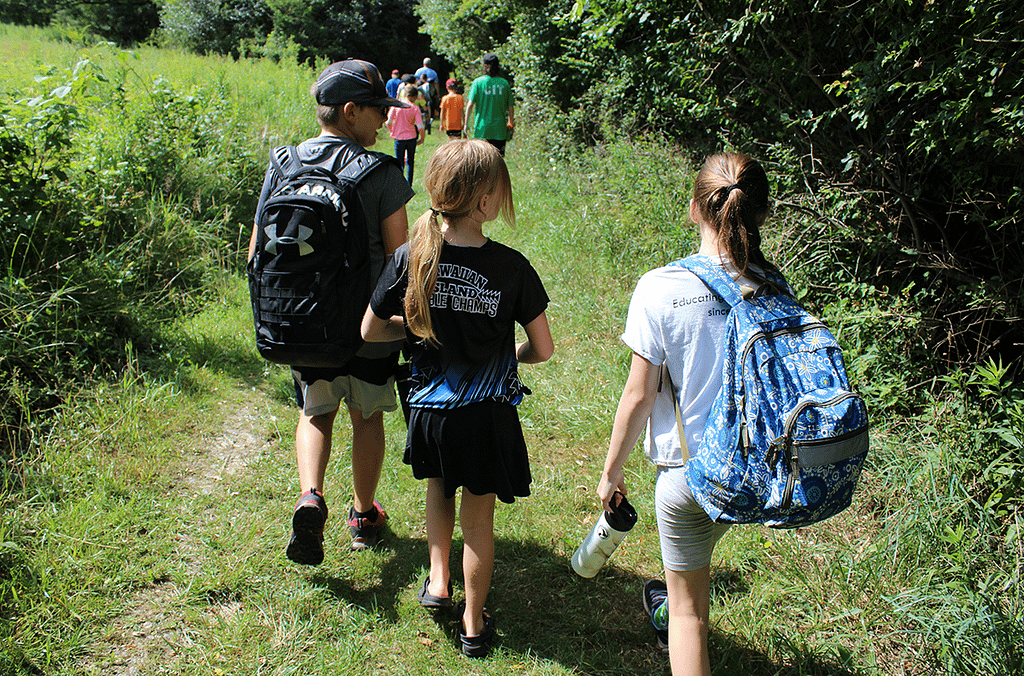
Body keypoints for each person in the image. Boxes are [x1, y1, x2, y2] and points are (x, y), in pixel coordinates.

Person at [361, 140, 553, 658]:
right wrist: (508, 352)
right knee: (479, 519)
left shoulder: (410, 256)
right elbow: (543, 348)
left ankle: (439, 580)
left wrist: (417, 330)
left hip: (429, 413)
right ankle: (473, 623)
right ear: (486, 203)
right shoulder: (513, 267)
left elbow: (370, 330)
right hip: (486, 415)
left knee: (439, 489)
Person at [595, 152, 781, 676]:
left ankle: (668, 609)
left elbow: (638, 397)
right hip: (761, 472)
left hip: (691, 477)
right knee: (693, 563)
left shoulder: (661, 287)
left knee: (688, 612)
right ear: (760, 214)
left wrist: (611, 472)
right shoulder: (773, 286)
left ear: (695, 210)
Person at [248, 59, 415, 564]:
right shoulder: (381, 172)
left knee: (315, 411)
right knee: (365, 417)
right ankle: (363, 515)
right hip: (368, 329)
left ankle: (310, 496)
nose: (385, 120)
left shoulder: (281, 165)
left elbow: (257, 252)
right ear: (349, 111)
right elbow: (401, 258)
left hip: (303, 323)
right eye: (376, 110)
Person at [465, 53, 514, 156]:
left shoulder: (478, 82)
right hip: (499, 131)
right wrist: (510, 123)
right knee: (497, 162)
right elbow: (510, 107)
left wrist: (466, 123)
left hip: (482, 130)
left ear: (484, 66)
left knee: (481, 162)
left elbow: (470, 105)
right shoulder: (504, 84)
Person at [387, 84, 426, 184]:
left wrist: (392, 131)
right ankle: (409, 184)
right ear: (415, 96)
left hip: (399, 138)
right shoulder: (415, 108)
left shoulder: (396, 106)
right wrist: (422, 138)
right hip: (411, 137)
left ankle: (400, 183)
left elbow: (388, 122)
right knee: (410, 162)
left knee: (399, 162)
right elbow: (420, 126)